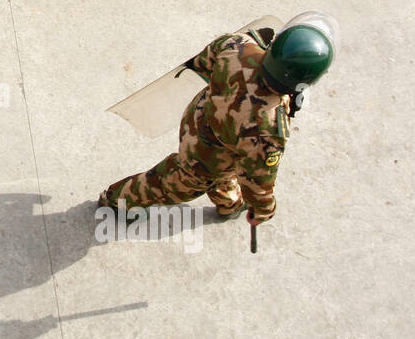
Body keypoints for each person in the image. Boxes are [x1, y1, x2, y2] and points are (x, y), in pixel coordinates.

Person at [99, 14, 336, 227]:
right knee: (172, 183)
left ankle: (229, 203)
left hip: (199, 116)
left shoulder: (237, 45)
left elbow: (203, 64)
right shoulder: (268, 130)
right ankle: (117, 201)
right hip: (205, 156)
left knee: (226, 171)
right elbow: (257, 181)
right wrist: (263, 210)